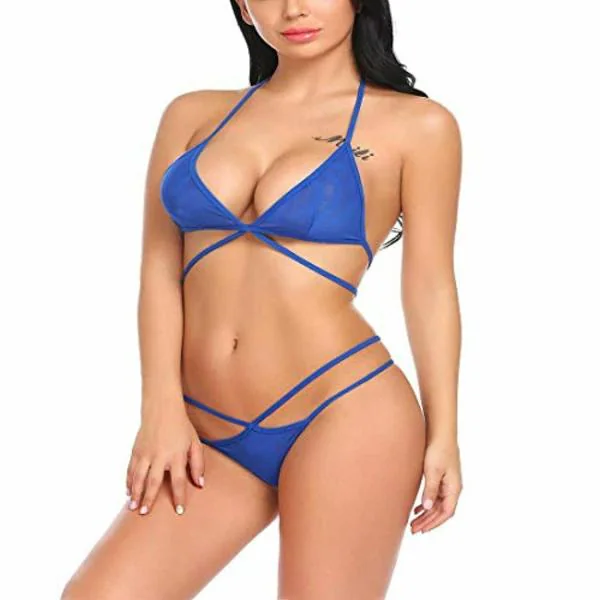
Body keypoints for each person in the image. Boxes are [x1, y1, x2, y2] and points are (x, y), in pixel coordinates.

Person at [62, 0, 463, 598]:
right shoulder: (192, 114)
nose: (294, 8)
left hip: (346, 412)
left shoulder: (419, 127)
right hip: (205, 427)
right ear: (243, 7)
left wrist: (445, 432)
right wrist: (161, 408)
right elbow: (158, 270)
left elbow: (429, 286)